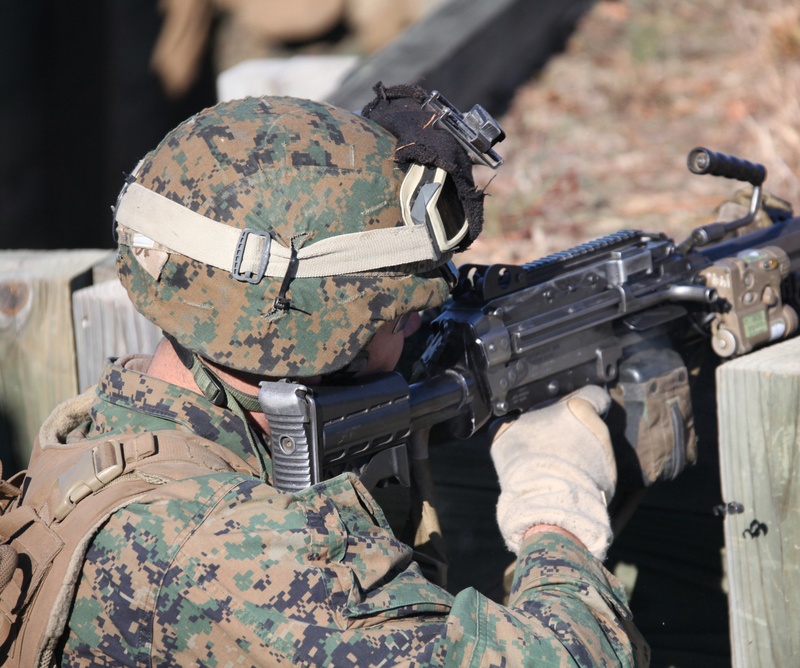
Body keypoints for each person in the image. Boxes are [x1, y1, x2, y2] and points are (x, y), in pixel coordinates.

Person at [0, 86, 648, 666]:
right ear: (319, 333)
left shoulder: (103, 439)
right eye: (399, 314)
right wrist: (555, 514)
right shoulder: (247, 558)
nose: (421, 330)